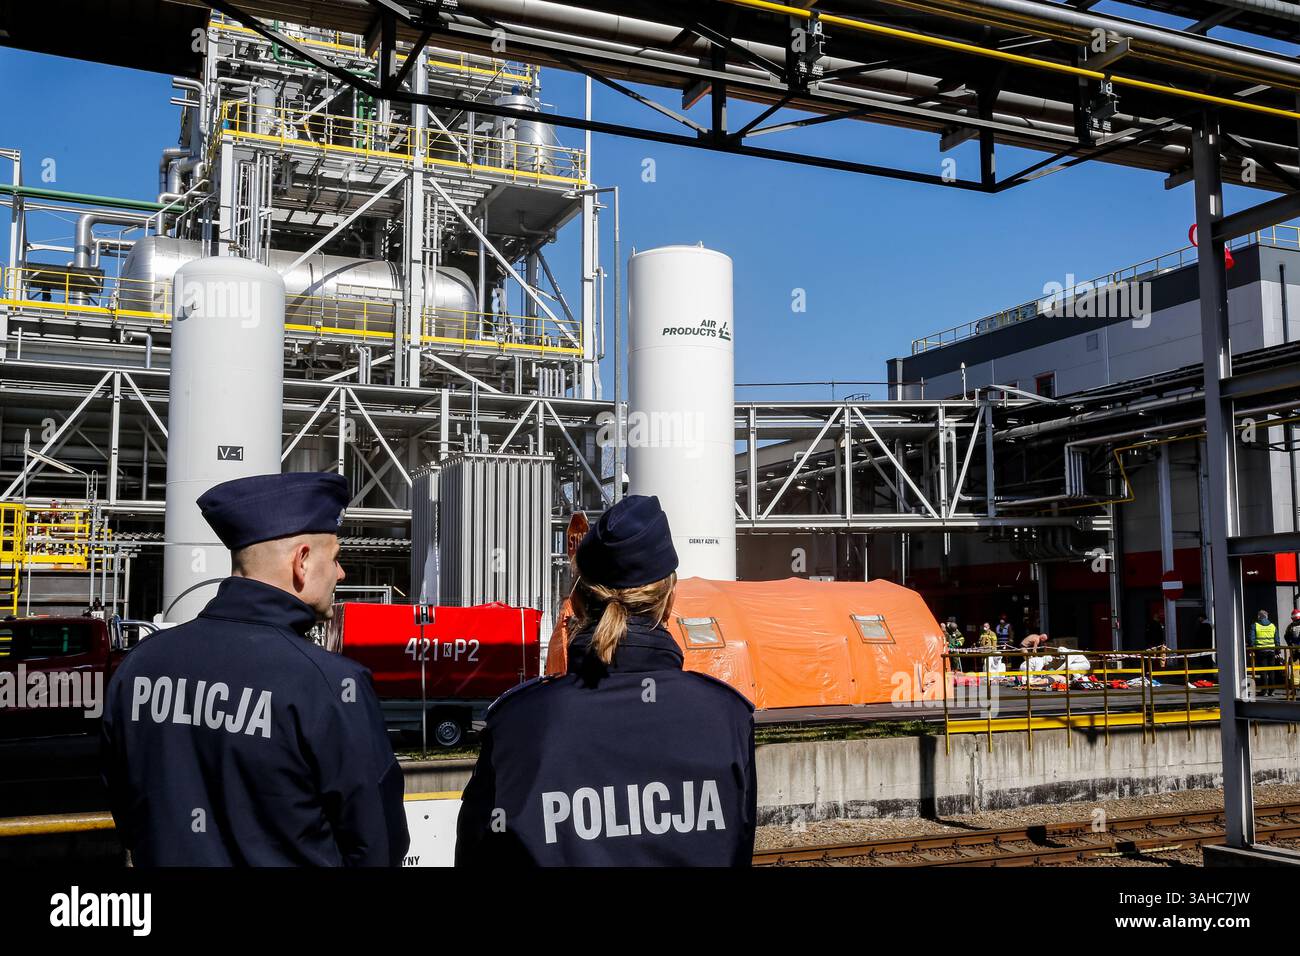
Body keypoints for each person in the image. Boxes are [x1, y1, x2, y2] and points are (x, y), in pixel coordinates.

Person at [101, 472, 409, 866]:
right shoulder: (331, 685)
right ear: (302, 561)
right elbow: (378, 845)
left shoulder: (140, 665)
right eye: (335, 557)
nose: (341, 573)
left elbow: (127, 815)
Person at [456, 494, 756, 866]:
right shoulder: (727, 718)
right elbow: (738, 848)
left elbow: (476, 852)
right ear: (669, 598)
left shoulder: (519, 721)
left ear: (578, 602)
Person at [1249, 609, 1279, 696]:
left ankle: (1264, 690)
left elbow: (1251, 639)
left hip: (1260, 651)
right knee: (1271, 671)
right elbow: (1277, 639)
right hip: (1271, 651)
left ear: (1259, 616)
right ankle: (1272, 690)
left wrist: (1252, 649)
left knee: (1263, 671)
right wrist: (1278, 651)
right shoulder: (1272, 626)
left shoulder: (1255, 625)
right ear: (1267, 616)